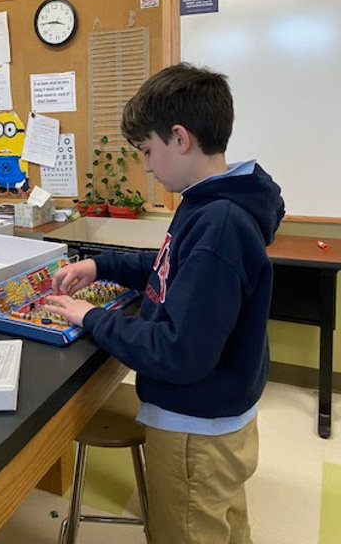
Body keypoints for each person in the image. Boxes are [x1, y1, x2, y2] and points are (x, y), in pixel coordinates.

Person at [46, 63, 285, 544]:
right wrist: (100, 267)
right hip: (218, 418)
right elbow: (168, 268)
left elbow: (177, 352)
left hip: (194, 430)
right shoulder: (212, 202)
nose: (148, 166)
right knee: (224, 526)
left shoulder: (218, 222)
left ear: (180, 137)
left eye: (147, 151)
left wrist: (91, 317)